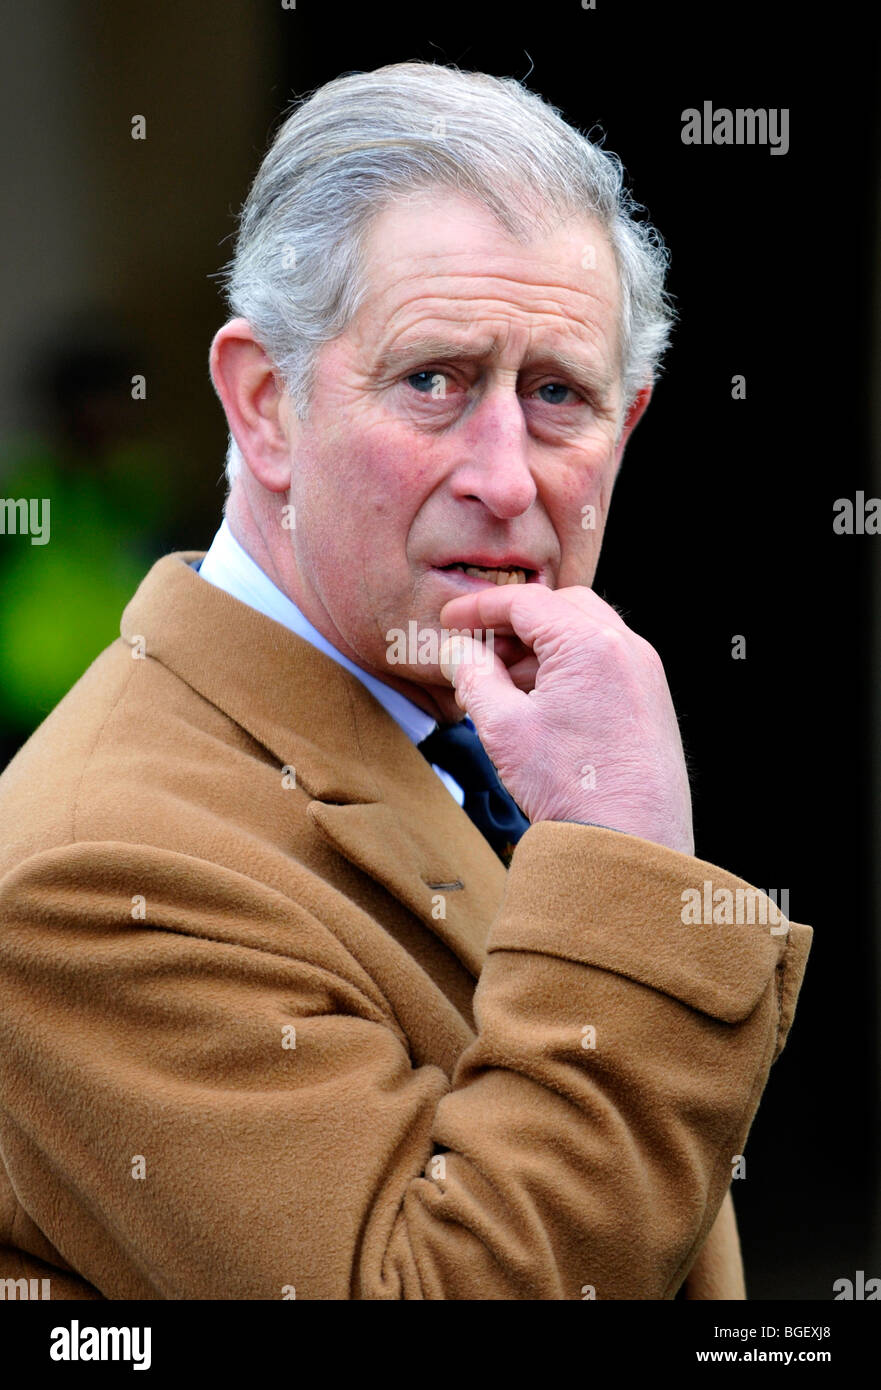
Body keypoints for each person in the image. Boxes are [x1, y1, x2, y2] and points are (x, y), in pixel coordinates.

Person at [0, 62, 811, 1300]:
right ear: (266, 405)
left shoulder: (472, 716)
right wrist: (629, 858)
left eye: (556, 395)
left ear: (627, 425)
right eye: (433, 380)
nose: (504, 474)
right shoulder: (98, 872)